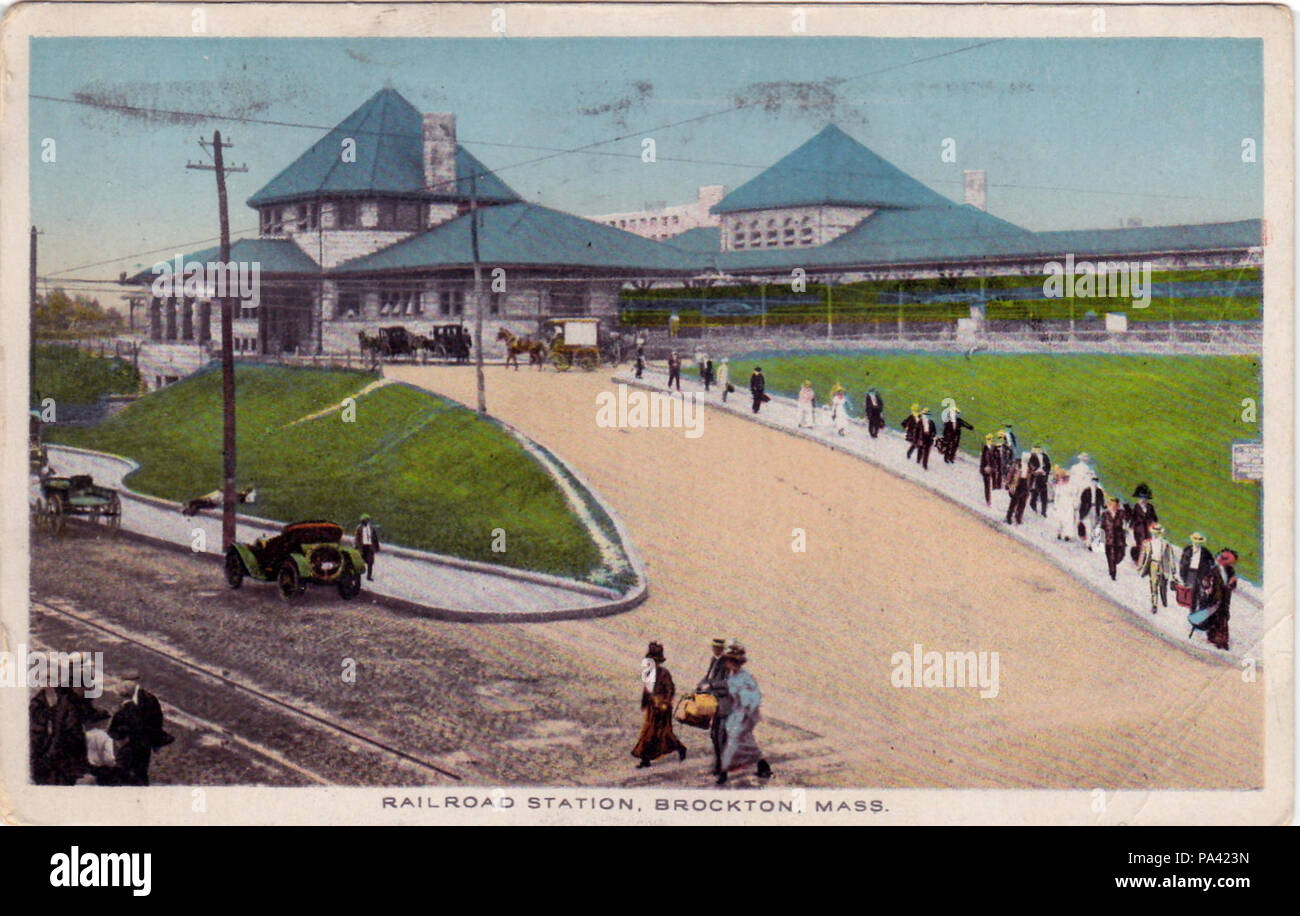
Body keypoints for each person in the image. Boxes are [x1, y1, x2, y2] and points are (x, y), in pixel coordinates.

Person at [716, 643, 771, 786]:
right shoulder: (731, 676)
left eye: (729, 661)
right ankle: (762, 764)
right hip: (736, 713)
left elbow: (753, 697)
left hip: (745, 715)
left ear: (735, 662)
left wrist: (745, 706)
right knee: (747, 742)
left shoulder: (745, 678)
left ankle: (724, 772)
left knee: (733, 742)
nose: (727, 663)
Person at [108, 670, 173, 787]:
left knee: (133, 773)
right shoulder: (145, 698)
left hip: (136, 745)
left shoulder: (147, 699)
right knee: (138, 774)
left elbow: (156, 721)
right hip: (141, 744)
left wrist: (155, 743)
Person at [632, 642, 686, 769]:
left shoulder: (664, 673)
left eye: (655, 661)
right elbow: (647, 689)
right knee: (650, 732)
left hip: (662, 708)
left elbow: (670, 689)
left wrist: (665, 703)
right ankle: (646, 759)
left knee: (661, 733)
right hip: (652, 707)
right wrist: (645, 703)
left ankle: (679, 747)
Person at [698, 638, 731, 775]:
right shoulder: (714, 660)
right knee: (714, 735)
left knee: (721, 736)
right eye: (714, 647)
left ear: (722, 649)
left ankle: (723, 769)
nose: (715, 650)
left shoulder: (727, 663)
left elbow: (728, 684)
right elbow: (708, 677)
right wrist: (699, 687)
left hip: (725, 706)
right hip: (715, 705)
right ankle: (719, 765)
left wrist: (711, 686)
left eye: (718, 648)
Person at [1137, 522, 1177, 614]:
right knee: (1153, 584)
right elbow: (1143, 556)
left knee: (1163, 584)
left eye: (1157, 532)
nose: (1155, 534)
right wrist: (1140, 567)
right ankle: (1154, 604)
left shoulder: (1166, 544)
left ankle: (1164, 601)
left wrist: (1173, 569)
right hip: (1153, 564)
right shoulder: (1148, 543)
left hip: (1163, 565)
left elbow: (1170, 557)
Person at [1206, 549, 1238, 650]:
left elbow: (1233, 585)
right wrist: (1208, 587)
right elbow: (1206, 581)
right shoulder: (1214, 570)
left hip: (1225, 598)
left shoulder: (1230, 571)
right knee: (1216, 618)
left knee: (1223, 617)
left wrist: (1231, 583)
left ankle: (1222, 640)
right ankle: (1217, 639)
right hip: (1215, 597)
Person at [1128, 484, 1158, 564]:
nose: (1143, 500)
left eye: (1145, 498)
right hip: (1139, 530)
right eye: (1141, 498)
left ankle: (1145, 561)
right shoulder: (1136, 507)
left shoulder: (1150, 507)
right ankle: (1137, 560)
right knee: (1139, 545)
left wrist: (1153, 525)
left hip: (1148, 530)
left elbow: (1154, 518)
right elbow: (1133, 519)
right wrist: (1131, 529)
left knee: (1148, 545)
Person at [1100, 496, 1128, 580]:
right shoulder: (1105, 514)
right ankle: (1113, 573)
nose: (1114, 507)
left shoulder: (1121, 513)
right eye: (1112, 505)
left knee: (1121, 555)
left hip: (1119, 539)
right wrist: (1102, 540)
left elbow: (1128, 517)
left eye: (1116, 505)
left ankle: (1113, 564)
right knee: (1111, 556)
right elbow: (1102, 527)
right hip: (1109, 539)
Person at [1077, 472, 1105, 545]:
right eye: (1093, 481)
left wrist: (1103, 508)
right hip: (1087, 510)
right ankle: (1089, 542)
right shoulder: (1086, 491)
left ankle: (1094, 541)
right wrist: (1081, 512)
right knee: (1088, 525)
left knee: (1094, 525)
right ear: (1091, 481)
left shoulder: (1099, 491)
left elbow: (1102, 501)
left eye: (1096, 481)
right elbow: (1082, 502)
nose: (1094, 482)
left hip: (1095, 509)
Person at [1048, 465, 1075, 539]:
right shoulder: (1059, 486)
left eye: (1068, 477)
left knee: (1068, 520)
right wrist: (1055, 505)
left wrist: (1073, 503)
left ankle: (1067, 534)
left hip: (1069, 504)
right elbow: (1057, 496)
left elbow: (1074, 495)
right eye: (1066, 477)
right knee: (1060, 519)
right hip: (1061, 504)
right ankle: (1059, 533)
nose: (1067, 479)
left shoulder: (1072, 486)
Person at [1004, 451, 1031, 525]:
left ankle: (1018, 517)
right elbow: (1010, 474)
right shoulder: (1017, 465)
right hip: (1017, 484)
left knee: (1022, 502)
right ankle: (1009, 516)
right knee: (1014, 501)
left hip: (1025, 484)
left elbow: (1030, 476)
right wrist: (1007, 483)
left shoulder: (1029, 466)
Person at [1027, 444, 1052, 517]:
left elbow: (1048, 466)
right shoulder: (1032, 456)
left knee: (1044, 495)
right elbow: (1030, 466)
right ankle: (1033, 509)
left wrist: (1044, 471)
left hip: (1043, 477)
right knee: (1035, 493)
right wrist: (1035, 471)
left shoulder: (1045, 456)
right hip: (1035, 477)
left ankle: (1043, 512)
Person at [354, 514, 380, 581]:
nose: (365, 522)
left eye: (366, 520)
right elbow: (357, 539)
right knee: (359, 562)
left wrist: (376, 547)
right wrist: (357, 547)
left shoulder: (371, 528)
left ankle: (369, 576)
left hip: (369, 547)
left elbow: (375, 538)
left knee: (370, 562)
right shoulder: (359, 528)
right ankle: (357, 575)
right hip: (362, 547)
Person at [979, 432, 1002, 506]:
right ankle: (988, 500)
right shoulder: (985, 449)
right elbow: (983, 460)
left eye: (991, 439)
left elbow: (998, 459)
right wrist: (984, 468)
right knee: (987, 485)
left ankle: (993, 499)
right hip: (986, 470)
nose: (990, 440)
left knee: (994, 485)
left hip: (993, 469)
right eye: (988, 439)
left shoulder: (995, 449)